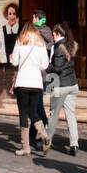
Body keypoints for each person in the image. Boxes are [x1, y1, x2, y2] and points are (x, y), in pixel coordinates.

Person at [10, 22, 50, 157]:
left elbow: (15, 62)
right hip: (37, 83)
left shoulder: (20, 41)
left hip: (23, 83)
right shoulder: (41, 43)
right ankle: (44, 135)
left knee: (23, 114)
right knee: (33, 112)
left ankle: (25, 147)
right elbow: (45, 65)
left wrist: (12, 59)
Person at [47, 21, 80, 156]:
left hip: (60, 85)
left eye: (53, 34)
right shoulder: (71, 44)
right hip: (73, 84)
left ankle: (46, 142)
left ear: (58, 33)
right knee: (70, 114)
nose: (52, 37)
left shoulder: (58, 46)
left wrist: (47, 66)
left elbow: (58, 67)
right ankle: (74, 144)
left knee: (53, 115)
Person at [31, 8, 54, 143]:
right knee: (36, 102)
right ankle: (34, 132)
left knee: (36, 104)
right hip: (44, 73)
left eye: (33, 18)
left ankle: (44, 126)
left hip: (35, 73)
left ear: (38, 19)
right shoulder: (49, 32)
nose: (32, 20)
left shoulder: (34, 33)